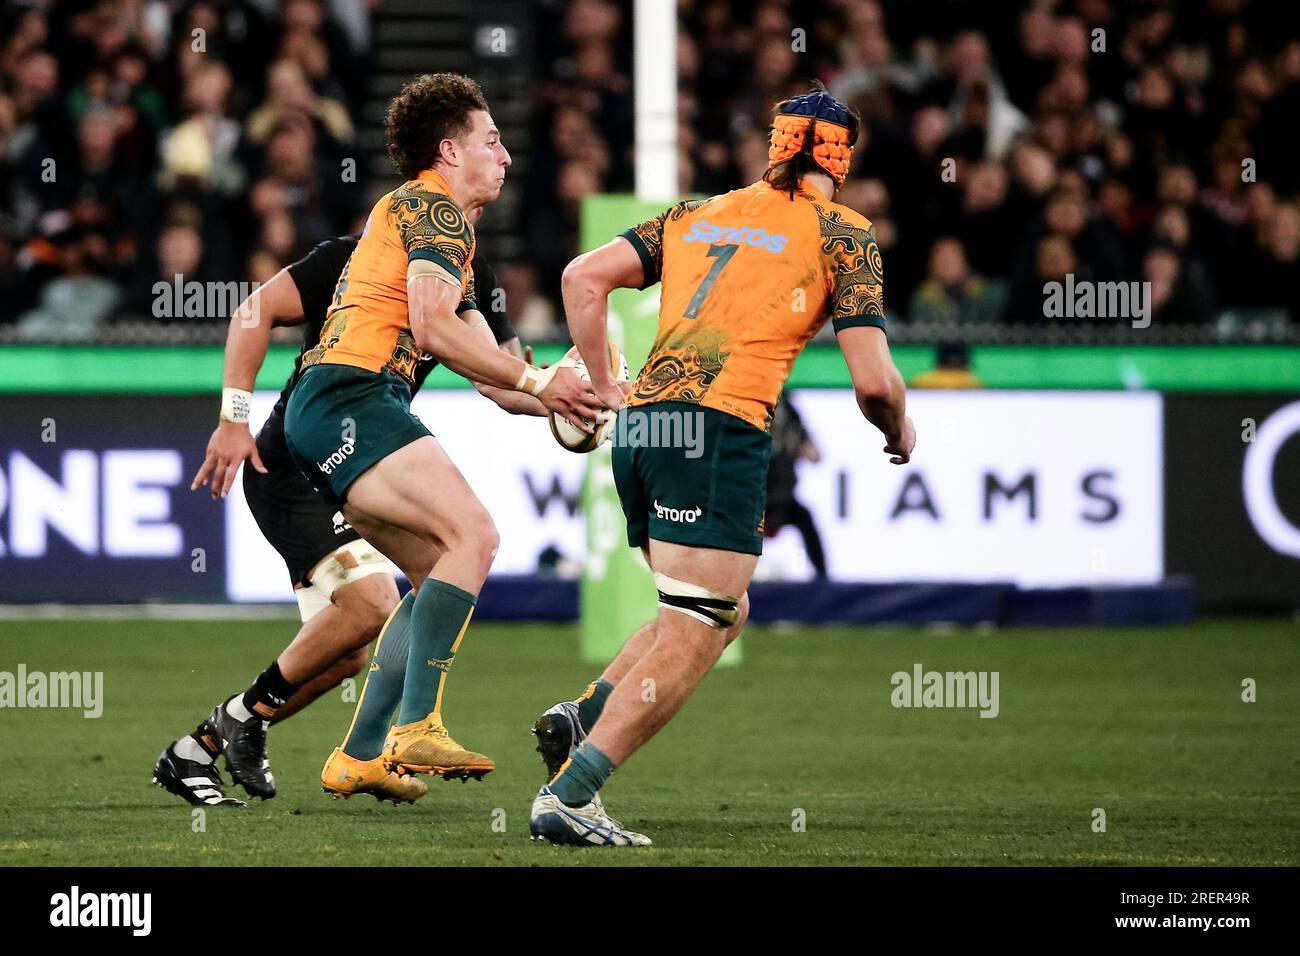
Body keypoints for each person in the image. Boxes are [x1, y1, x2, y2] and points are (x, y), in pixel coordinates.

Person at [529, 87, 915, 846]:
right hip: (722, 430)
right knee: (699, 626)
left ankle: (586, 715)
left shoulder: (694, 215)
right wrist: (899, 427)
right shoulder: (844, 233)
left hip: (646, 427)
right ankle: (572, 794)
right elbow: (873, 381)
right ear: (843, 156)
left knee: (711, 611)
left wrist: (608, 387)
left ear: (773, 145)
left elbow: (581, 277)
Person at [281, 73, 602, 800]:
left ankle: (360, 754)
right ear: (450, 150)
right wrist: (539, 385)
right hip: (350, 396)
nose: (508, 156)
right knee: (478, 538)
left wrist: (567, 392)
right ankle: (417, 723)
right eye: (493, 141)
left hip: (329, 406)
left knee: (435, 575)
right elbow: (431, 328)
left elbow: (495, 376)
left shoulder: (437, 226)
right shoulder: (434, 209)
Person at [152, 213, 536, 808]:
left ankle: (204, 745)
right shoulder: (349, 260)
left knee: (349, 651)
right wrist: (233, 417)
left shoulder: (473, 275)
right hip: (296, 463)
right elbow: (252, 311)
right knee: (376, 602)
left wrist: (566, 397)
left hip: (363, 454)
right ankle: (351, 739)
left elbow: (504, 380)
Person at [763, 392, 828, 579]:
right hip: (753, 494)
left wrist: (802, 447)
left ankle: (822, 579)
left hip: (782, 495)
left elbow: (813, 452)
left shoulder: (786, 404)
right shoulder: (747, 398)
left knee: (804, 518)